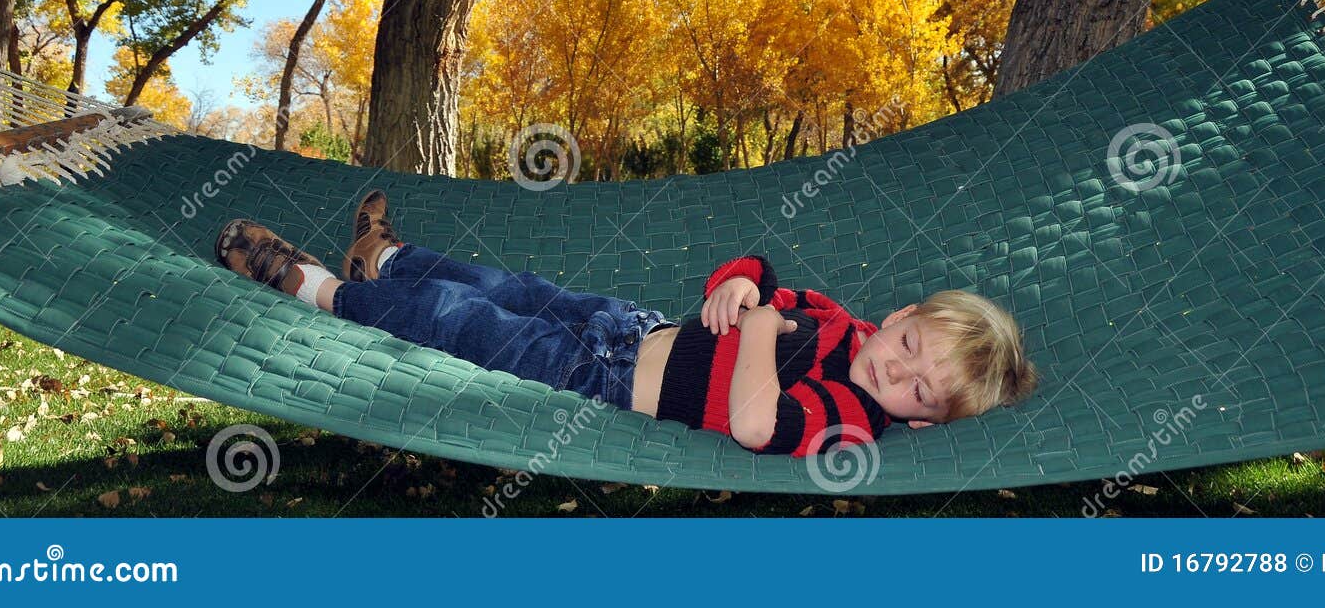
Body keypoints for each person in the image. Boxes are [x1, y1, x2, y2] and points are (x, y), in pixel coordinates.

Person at [215, 190, 1038, 457]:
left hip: (597, 378)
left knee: (456, 321)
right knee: (501, 282)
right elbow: (761, 276)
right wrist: (738, 287)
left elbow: (757, 423)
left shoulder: (852, 420)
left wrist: (753, 335)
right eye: (907, 348)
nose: (896, 373)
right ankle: (384, 258)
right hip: (630, 326)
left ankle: (310, 284)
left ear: (923, 418)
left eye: (918, 390)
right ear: (898, 317)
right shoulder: (837, 320)